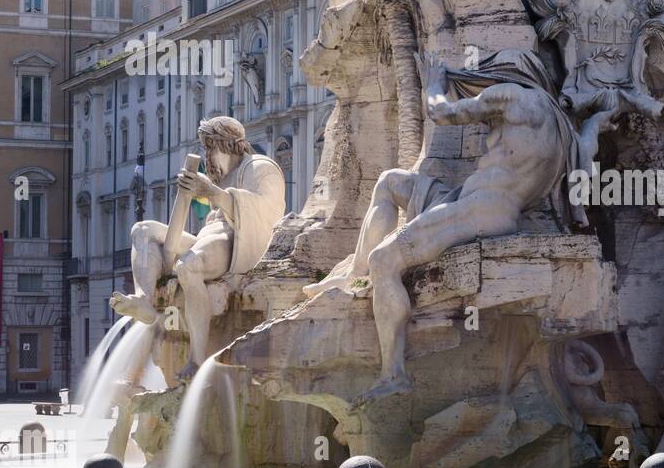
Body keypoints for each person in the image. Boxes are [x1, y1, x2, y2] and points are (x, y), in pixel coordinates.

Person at [304, 49, 600, 394]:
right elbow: (589, 143)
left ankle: (393, 375)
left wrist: (434, 82)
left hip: (481, 210)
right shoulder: (566, 134)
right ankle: (352, 276)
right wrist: (602, 116)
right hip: (473, 202)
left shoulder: (512, 94)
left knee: (383, 260)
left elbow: (441, 112)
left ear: (508, 72)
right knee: (390, 183)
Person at [111, 116, 286, 378]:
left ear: (227, 145)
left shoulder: (260, 168)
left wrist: (212, 192)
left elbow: (267, 212)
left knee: (188, 265)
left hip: (237, 243)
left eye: (210, 148)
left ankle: (197, 359)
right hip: (206, 238)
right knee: (143, 230)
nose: (206, 155)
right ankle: (144, 300)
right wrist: (197, 191)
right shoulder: (222, 176)